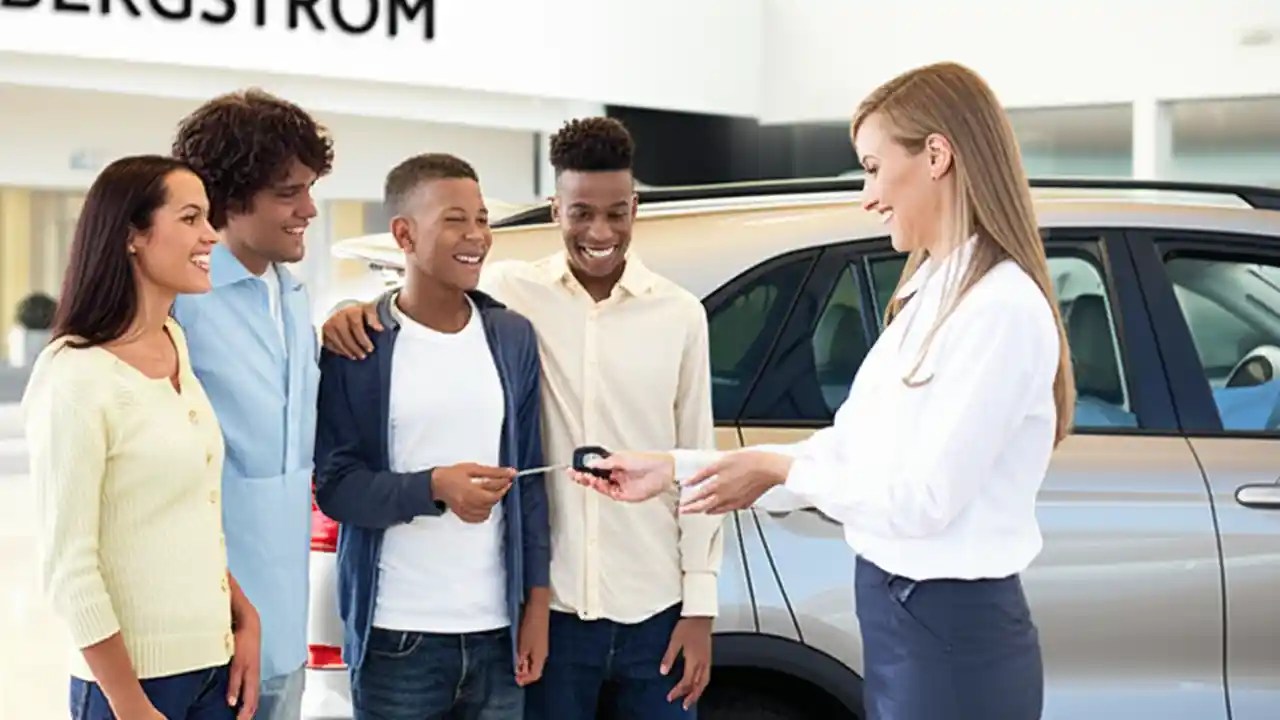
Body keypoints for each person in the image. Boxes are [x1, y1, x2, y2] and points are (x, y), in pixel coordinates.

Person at [568, 62, 1076, 720]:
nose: (868, 196)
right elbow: (849, 452)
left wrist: (776, 469)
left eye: (871, 166)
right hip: (911, 626)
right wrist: (673, 469)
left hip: (951, 637)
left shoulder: (998, 308)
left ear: (936, 155)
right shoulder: (932, 294)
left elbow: (924, 502)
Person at [321, 118, 724, 718]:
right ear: (555, 209)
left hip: (654, 609)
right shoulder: (515, 294)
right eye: (581, 212)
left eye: (618, 212)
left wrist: (700, 607)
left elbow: (698, 460)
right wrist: (348, 311)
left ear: (635, 207)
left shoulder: (680, 315)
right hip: (553, 614)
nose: (600, 231)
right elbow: (421, 300)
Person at [23, 155, 262, 720]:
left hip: (214, 669)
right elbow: (68, 565)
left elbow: (181, 514)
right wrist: (128, 702)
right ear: (133, 234)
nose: (210, 235)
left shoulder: (174, 341)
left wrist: (243, 614)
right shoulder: (74, 376)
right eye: (189, 218)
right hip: (130, 689)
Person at [312, 153, 550, 719]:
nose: (476, 236)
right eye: (454, 220)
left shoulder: (511, 337)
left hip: (497, 634)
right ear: (404, 234)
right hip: (398, 638)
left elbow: (532, 483)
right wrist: (434, 488)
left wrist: (535, 607)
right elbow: (337, 489)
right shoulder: (360, 346)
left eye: (483, 218)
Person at [169, 88, 333, 719]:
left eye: (310, 188)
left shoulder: (294, 298)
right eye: (289, 192)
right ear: (230, 199)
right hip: (202, 637)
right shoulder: (180, 300)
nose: (309, 209)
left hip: (284, 636)